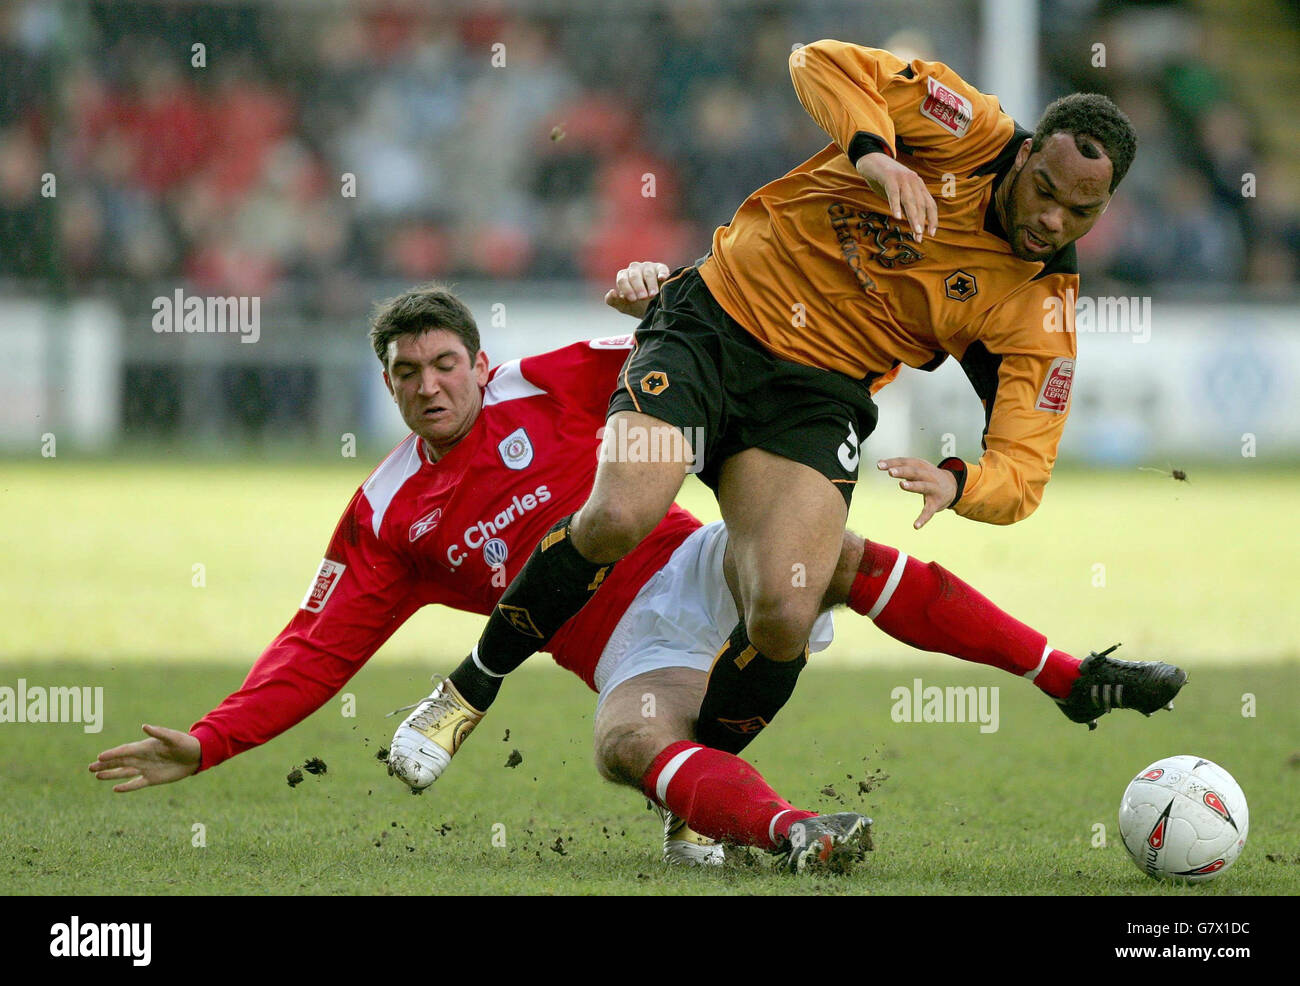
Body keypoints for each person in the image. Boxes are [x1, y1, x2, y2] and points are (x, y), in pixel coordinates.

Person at [90, 264, 1184, 875]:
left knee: (827, 560)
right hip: (627, 647)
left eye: (442, 364)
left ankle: (1066, 675)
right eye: (405, 374)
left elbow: (706, 349)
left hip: (693, 558)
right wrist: (213, 735)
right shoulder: (389, 515)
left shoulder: (557, 382)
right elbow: (318, 643)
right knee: (622, 742)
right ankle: (794, 830)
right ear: (388, 388)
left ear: (478, 362)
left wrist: (666, 294)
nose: (428, 386)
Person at [436, 40, 1184, 763]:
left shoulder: (1040, 310)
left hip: (815, 398)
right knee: (620, 514)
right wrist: (876, 153)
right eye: (1045, 193)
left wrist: (959, 483)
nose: (1054, 220)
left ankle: (702, 797)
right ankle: (471, 686)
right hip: (712, 323)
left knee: (785, 610)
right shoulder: (968, 128)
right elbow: (819, 61)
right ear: (1025, 156)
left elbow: (1025, 469)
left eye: (1081, 213)